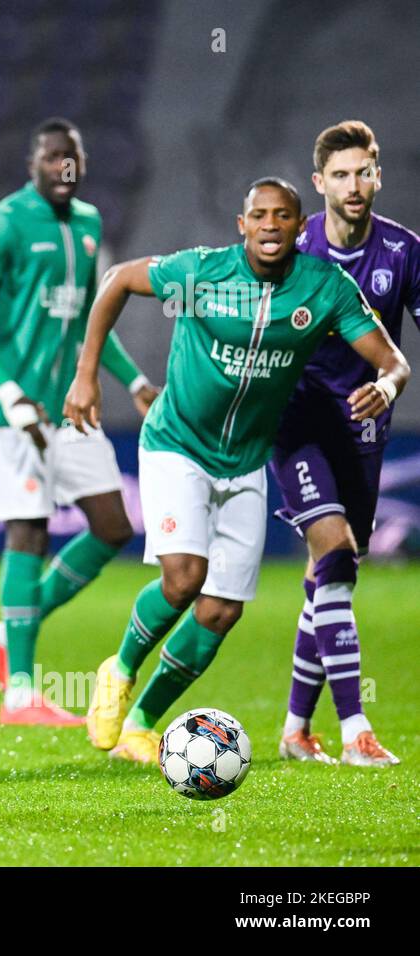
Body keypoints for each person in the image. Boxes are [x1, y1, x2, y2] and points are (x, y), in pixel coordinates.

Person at [68, 178, 409, 763]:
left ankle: (140, 726)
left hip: (247, 461)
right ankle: (119, 670)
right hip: (177, 444)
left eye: (283, 216)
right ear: (242, 225)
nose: (271, 224)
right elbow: (118, 279)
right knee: (184, 577)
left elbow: (392, 360)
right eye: (260, 215)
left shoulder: (325, 287)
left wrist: (386, 385)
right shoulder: (202, 273)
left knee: (221, 609)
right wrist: (86, 374)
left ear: (299, 228)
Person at [0, 117, 159, 725]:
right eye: (52, 157)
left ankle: (7, 630)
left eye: (73, 157)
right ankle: (19, 694)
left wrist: (135, 381)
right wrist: (10, 393)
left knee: (113, 526)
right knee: (29, 531)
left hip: (70, 408)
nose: (63, 166)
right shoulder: (3, 224)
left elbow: (90, 321)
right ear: (32, 164)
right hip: (11, 413)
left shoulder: (88, 224)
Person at [274, 121, 420, 767]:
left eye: (363, 172)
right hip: (298, 422)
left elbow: (398, 357)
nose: (353, 185)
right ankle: (355, 729)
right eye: (340, 174)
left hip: (363, 426)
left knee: (332, 573)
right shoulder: (292, 246)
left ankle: (295, 730)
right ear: (319, 183)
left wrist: (387, 386)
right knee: (333, 551)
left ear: (378, 176)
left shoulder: (404, 251)